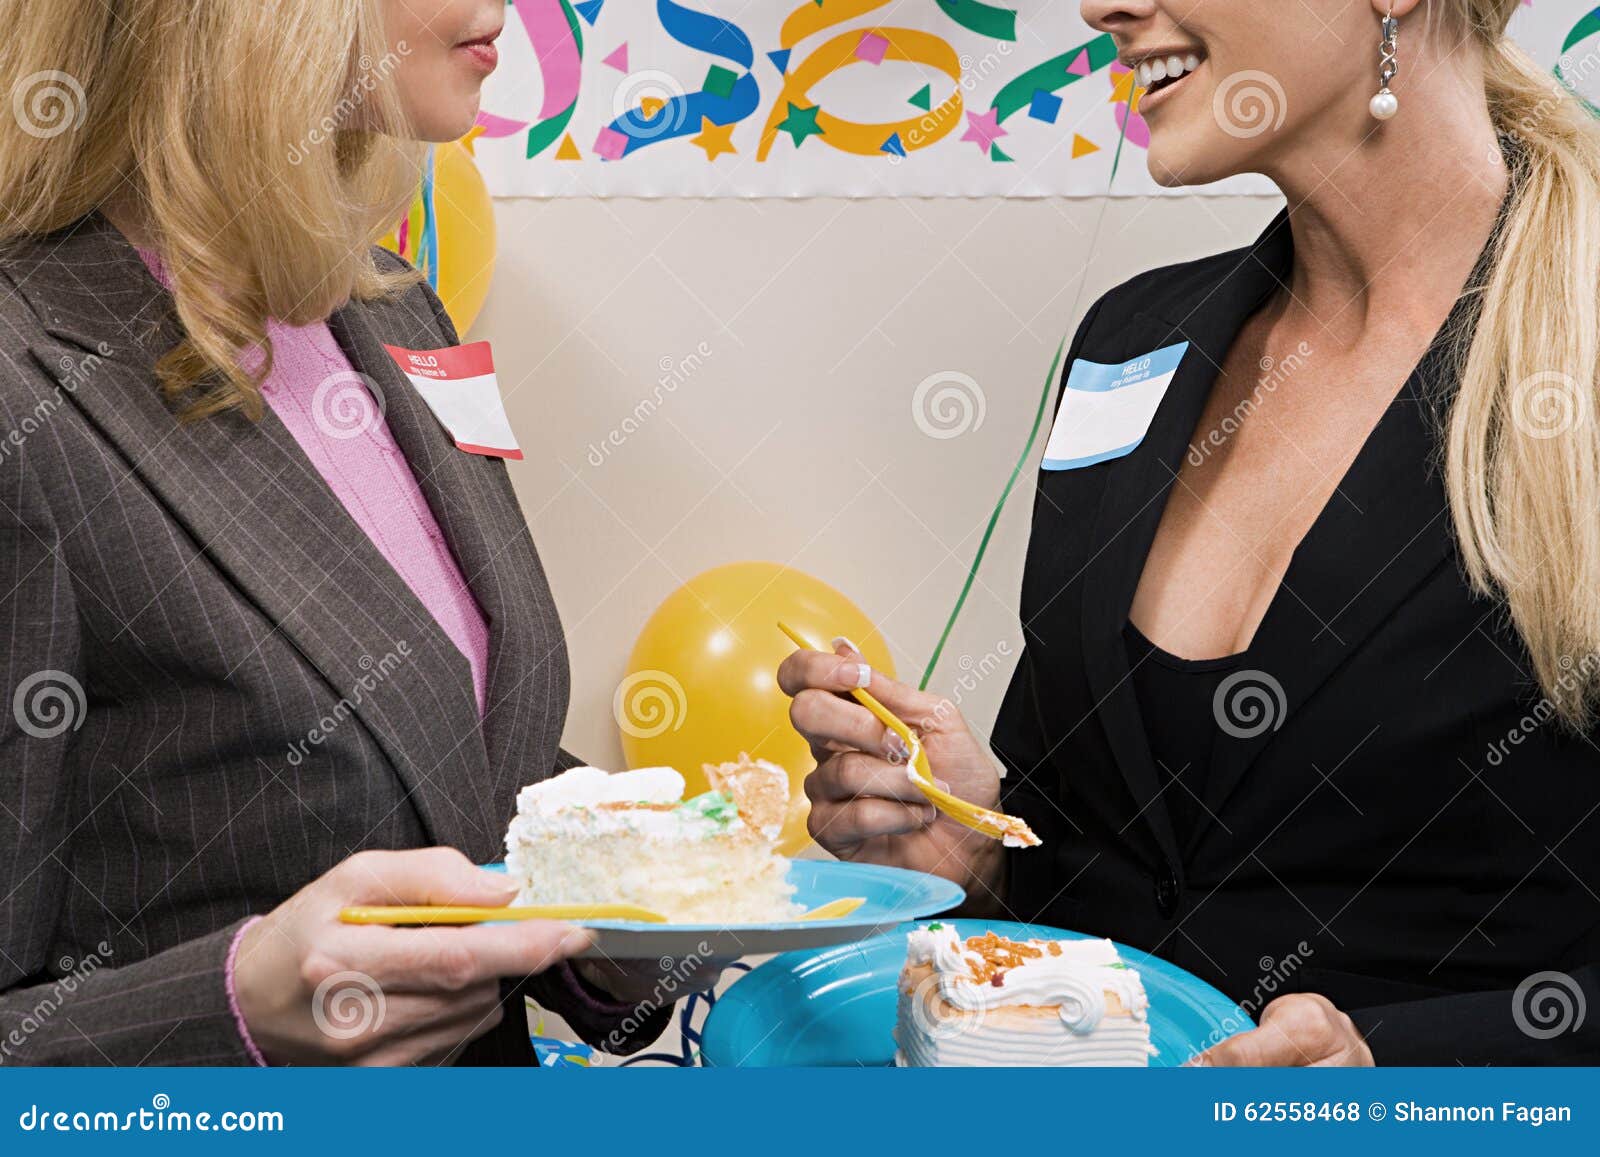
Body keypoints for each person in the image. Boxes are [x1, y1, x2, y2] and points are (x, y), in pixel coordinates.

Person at [781, 0, 1600, 1065]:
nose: (1101, 7)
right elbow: (1126, 851)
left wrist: (1389, 1070)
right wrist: (987, 858)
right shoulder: (1133, 343)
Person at [0, 0, 693, 1065]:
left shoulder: (396, 312)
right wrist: (234, 1009)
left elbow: (443, 749)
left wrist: (637, 907)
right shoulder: (21, 383)